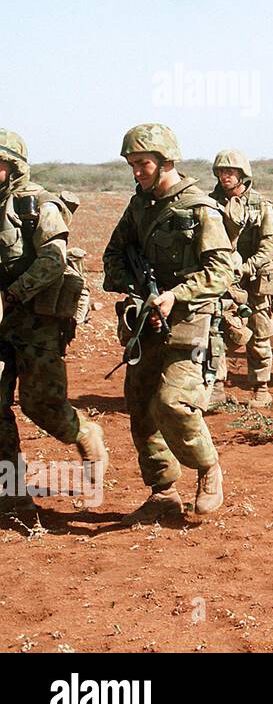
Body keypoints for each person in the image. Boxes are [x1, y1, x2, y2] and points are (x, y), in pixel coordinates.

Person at [103, 123, 233, 520]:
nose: (136, 172)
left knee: (172, 404)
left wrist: (176, 294)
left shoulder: (199, 208)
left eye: (142, 163)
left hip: (189, 320)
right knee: (141, 408)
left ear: (166, 161)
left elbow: (222, 270)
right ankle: (162, 490)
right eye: (131, 164)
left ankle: (208, 467)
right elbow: (113, 256)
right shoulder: (138, 205)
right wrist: (137, 289)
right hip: (146, 320)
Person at [0, 129, 107, 513]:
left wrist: (12, 294)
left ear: (13, 167)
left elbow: (53, 260)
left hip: (34, 321)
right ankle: (11, 493)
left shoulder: (37, 206)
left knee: (40, 404)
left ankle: (84, 433)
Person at [209, 149, 273, 409]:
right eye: (220, 171)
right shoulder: (209, 203)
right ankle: (216, 387)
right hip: (223, 279)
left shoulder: (261, 204)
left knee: (259, 336)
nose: (224, 176)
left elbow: (270, 245)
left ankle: (261, 388)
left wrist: (247, 267)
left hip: (255, 279)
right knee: (216, 332)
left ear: (242, 174)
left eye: (230, 171)